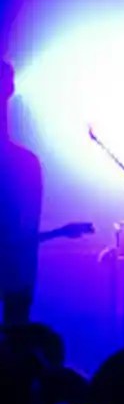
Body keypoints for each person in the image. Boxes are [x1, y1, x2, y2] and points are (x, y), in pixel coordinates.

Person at [0, 59, 43, 324]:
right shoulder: (26, 163)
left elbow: (29, 229)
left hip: (18, 276)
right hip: (18, 276)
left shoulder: (26, 163)